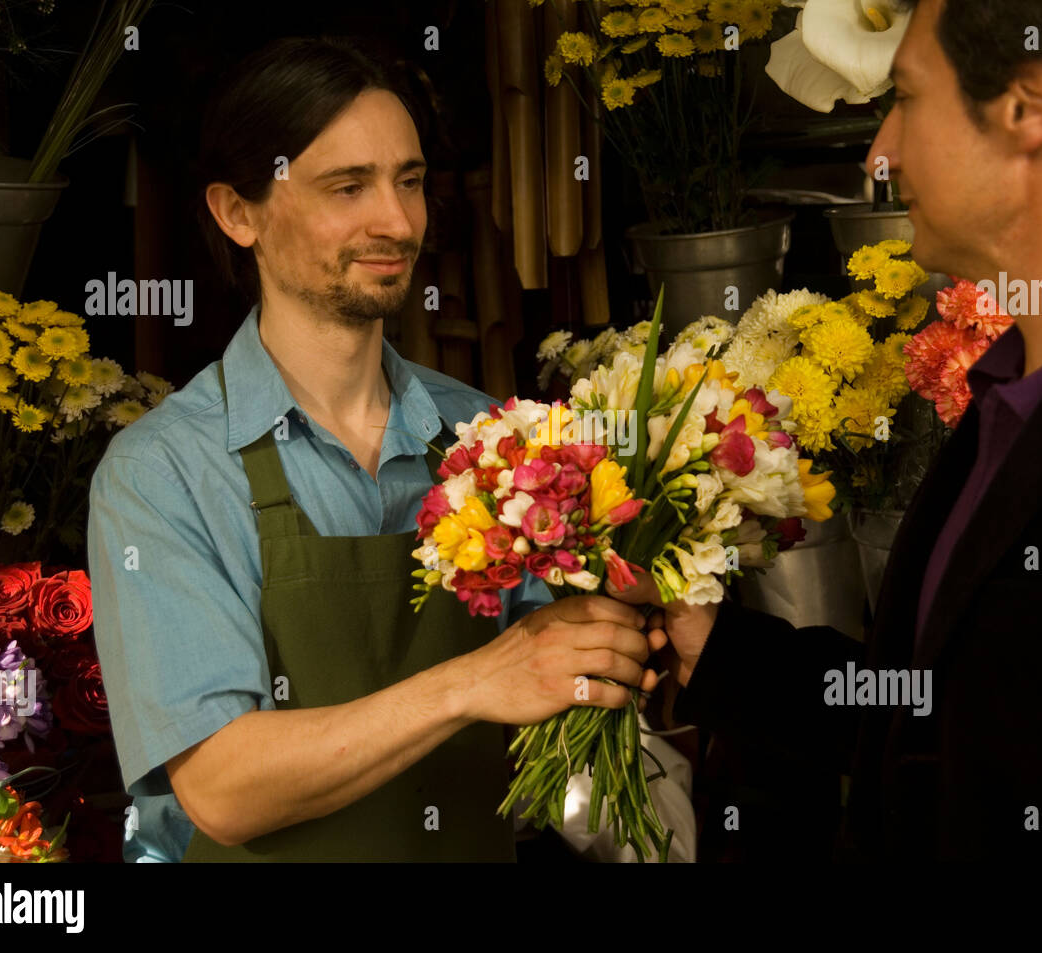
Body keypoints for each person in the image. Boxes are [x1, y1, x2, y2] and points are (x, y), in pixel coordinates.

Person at [614, 0, 1042, 861]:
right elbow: (931, 710)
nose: (882, 153)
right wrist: (716, 647)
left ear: (1029, 107)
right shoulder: (1015, 386)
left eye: (906, 98)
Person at [87, 37, 658, 863]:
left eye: (411, 181)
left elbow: (560, 700)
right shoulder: (161, 474)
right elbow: (221, 786)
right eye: (347, 186)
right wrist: (473, 682)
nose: (396, 222)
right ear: (236, 212)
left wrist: (635, 613)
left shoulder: (494, 436)